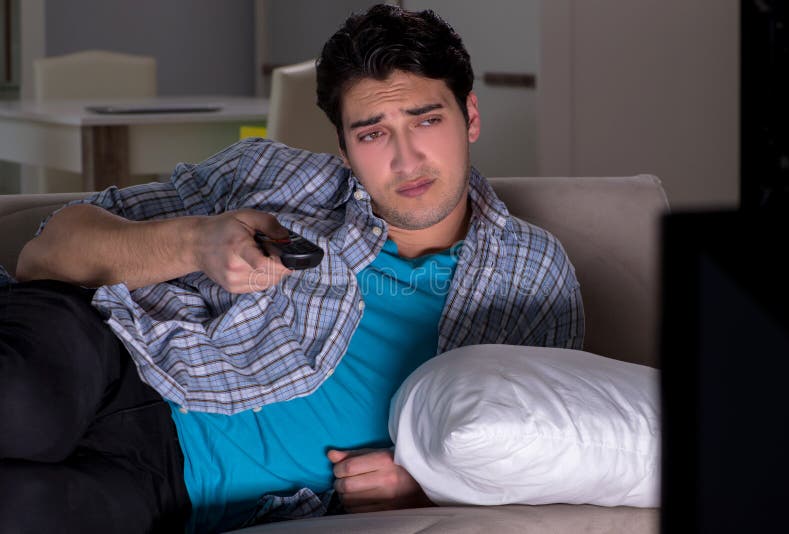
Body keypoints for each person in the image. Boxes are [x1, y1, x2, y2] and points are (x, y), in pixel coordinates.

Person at [0, 4, 583, 533]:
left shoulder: (531, 273)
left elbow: (546, 458)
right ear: (345, 147)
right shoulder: (276, 177)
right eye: (374, 133)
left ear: (471, 116)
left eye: (426, 120)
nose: (406, 160)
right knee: (20, 409)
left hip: (174, 483)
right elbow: (45, 253)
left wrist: (426, 486)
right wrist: (197, 242)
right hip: (106, 346)